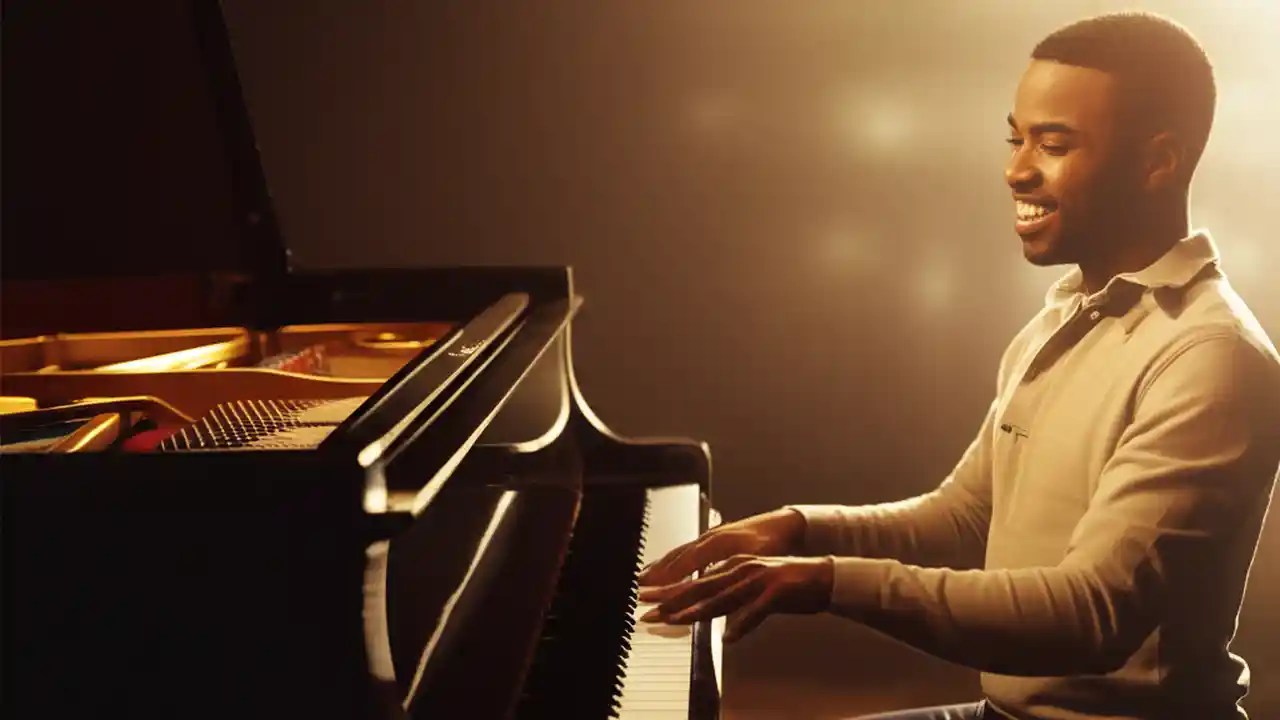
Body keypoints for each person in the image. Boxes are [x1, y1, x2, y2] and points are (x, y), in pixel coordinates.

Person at [636, 11, 1280, 720]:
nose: (1016, 169)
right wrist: (799, 527)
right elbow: (969, 516)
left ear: (1158, 161)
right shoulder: (1064, 315)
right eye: (1017, 138)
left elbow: (1091, 617)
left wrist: (824, 582)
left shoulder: (1212, 358)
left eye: (1054, 143)